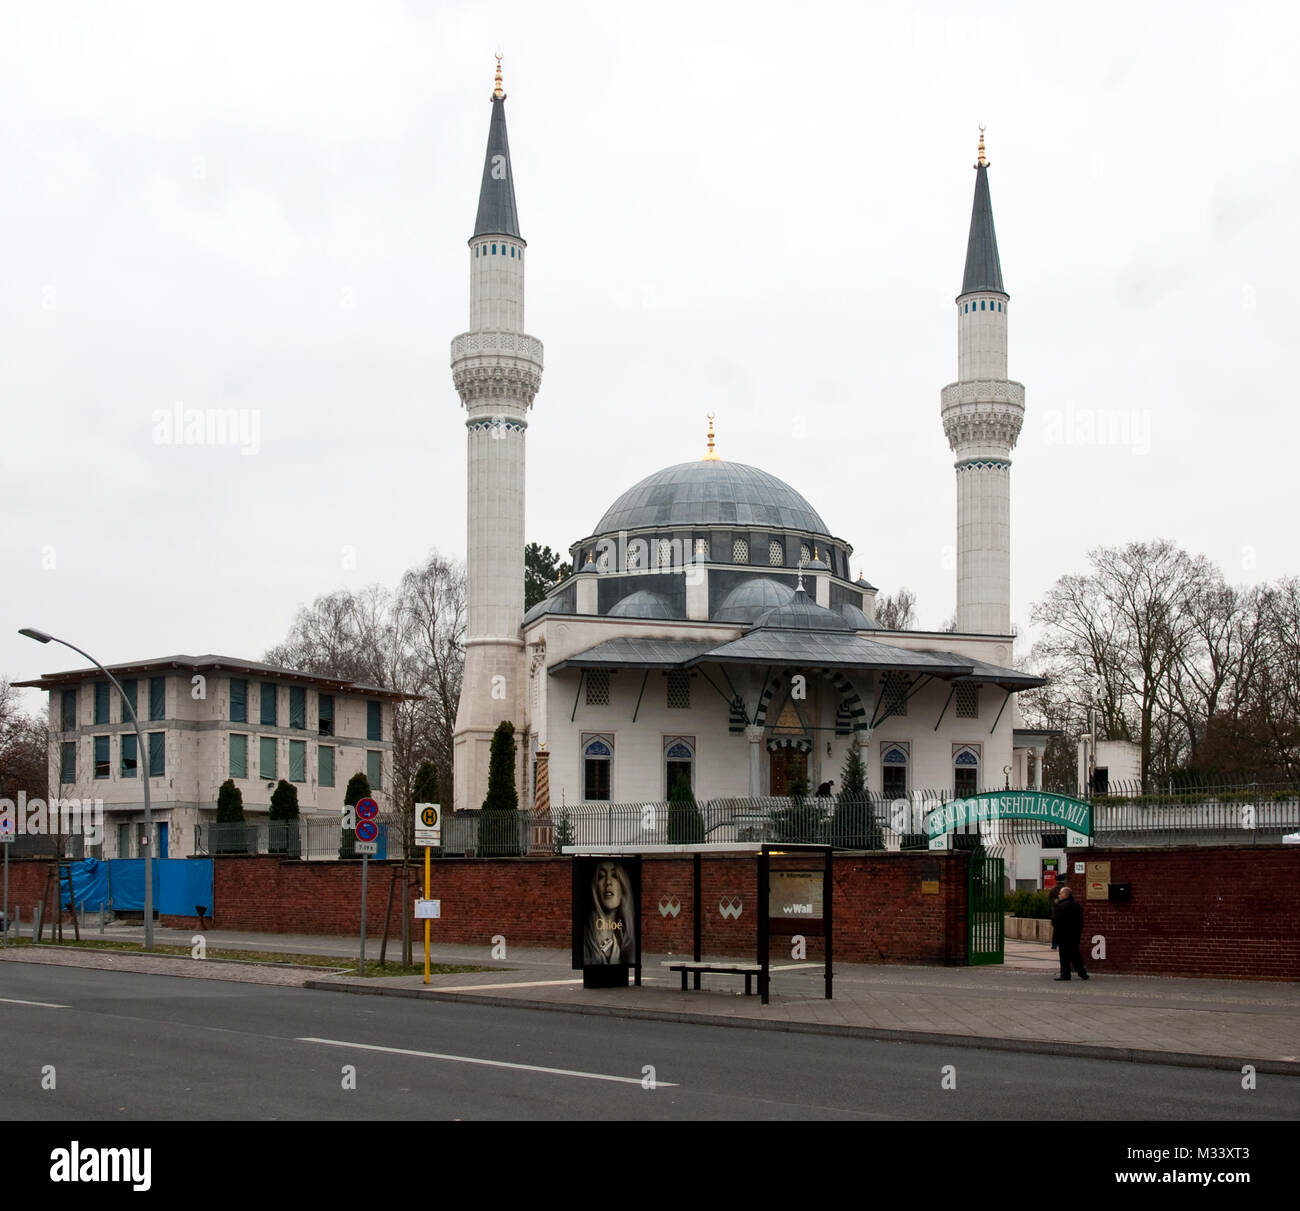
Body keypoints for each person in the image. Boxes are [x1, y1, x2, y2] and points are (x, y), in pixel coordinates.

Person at [584, 859, 637, 965]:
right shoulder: (586, 937)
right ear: (595, 888)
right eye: (601, 876)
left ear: (623, 886)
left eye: (614, 875)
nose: (608, 882)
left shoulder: (627, 936)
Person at [1052, 885, 1088, 980]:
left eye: (1060, 894)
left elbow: (1055, 922)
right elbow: (1080, 921)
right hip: (1074, 934)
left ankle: (1065, 974)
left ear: (1064, 895)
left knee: (1064, 956)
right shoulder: (1077, 905)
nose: (1059, 895)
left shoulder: (1060, 906)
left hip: (1063, 935)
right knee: (1075, 954)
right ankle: (1082, 973)